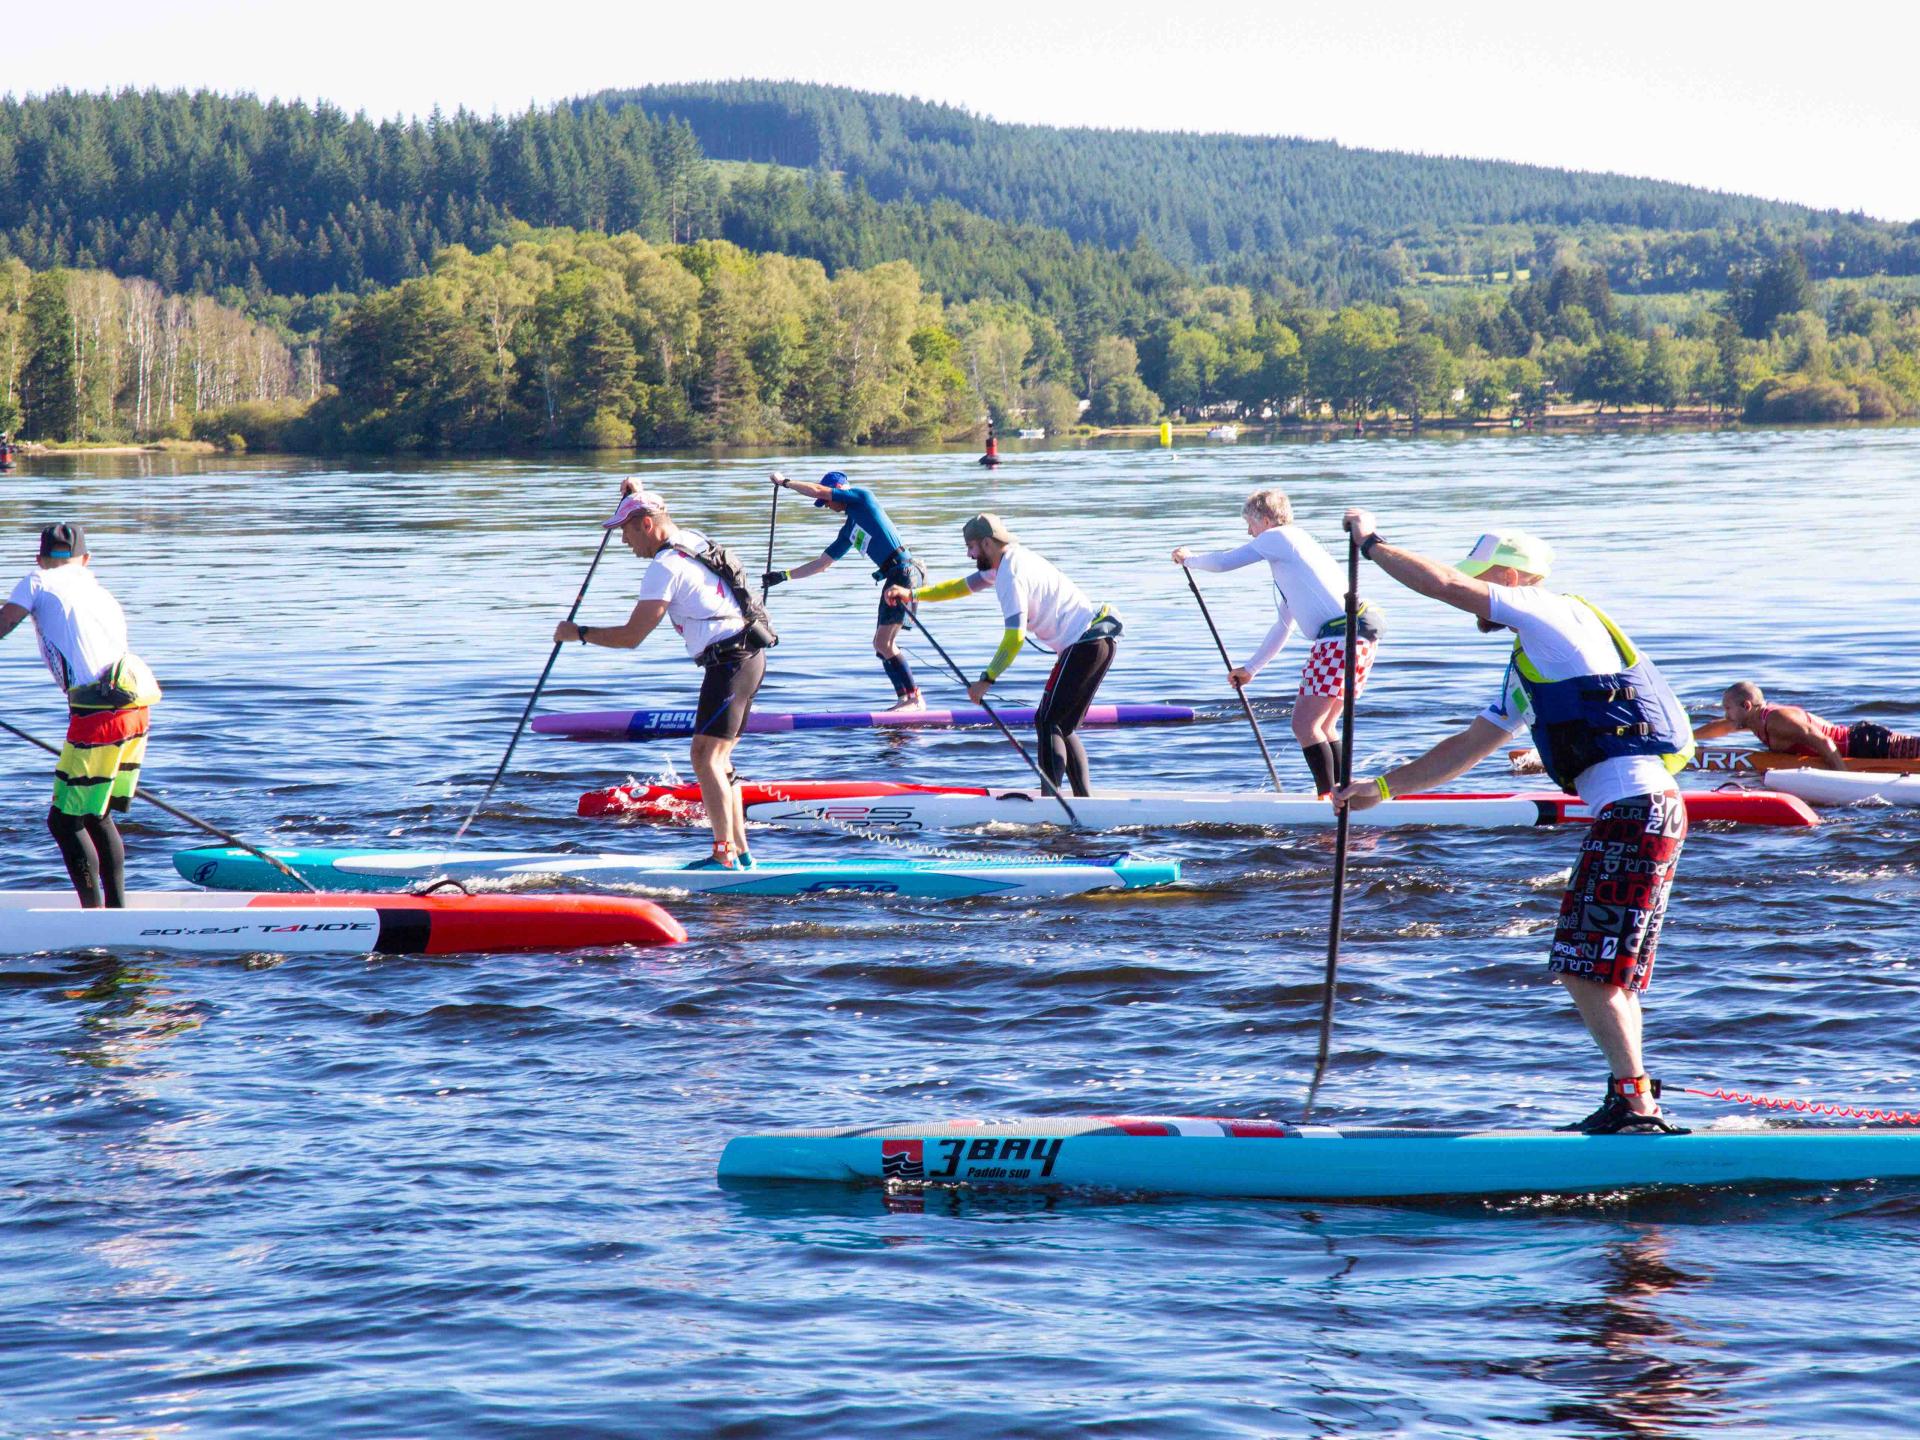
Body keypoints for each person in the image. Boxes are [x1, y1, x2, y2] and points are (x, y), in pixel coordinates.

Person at [1331, 519, 1696, 1135]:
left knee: (1586, 968)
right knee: (1607, 972)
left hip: (1639, 809)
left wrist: (1371, 545)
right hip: (1640, 812)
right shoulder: (1530, 664)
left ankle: (1635, 1106)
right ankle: (1633, 1101)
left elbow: (1444, 584)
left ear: (1515, 577)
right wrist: (1383, 788)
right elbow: (1469, 746)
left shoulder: (1551, 615)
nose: (1476, 594)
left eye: (1486, 580)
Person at [555, 486, 772, 870]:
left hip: (731, 662)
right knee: (717, 760)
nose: (622, 539)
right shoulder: (691, 539)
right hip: (746, 658)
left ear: (647, 525)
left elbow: (631, 637)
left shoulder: (663, 567)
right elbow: (660, 512)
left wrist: (580, 633)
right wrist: (637, 493)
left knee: (705, 757)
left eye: (626, 529)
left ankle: (723, 855)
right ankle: (741, 854)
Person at [884, 513, 1121, 797]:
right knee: (1060, 725)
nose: (969, 554)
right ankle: (1083, 802)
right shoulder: (1008, 562)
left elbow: (1014, 638)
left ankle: (1051, 803)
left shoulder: (1011, 574)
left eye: (971, 547)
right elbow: (960, 586)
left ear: (986, 543)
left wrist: (987, 679)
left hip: (1085, 645)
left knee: (1048, 722)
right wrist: (913, 595)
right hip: (1095, 643)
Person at [1172, 487, 1383, 796]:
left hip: (1342, 636)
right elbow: (1284, 625)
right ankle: (1343, 795)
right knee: (1323, 727)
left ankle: (1330, 800)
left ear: (1266, 520)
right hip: (1356, 632)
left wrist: (1189, 559)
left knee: (1304, 726)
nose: (1248, 531)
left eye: (1250, 523)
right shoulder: (1294, 555)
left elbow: (1223, 562)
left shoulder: (1278, 537)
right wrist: (1251, 669)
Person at [0, 523, 162, 907]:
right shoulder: (98, 591)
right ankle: (115, 911)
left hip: (99, 716)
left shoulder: (38, 579)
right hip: (134, 709)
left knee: (64, 821)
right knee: (96, 813)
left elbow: (4, 623)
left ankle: (93, 919)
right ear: (85, 560)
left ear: (40, 558)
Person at [761, 470, 924, 710]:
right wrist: (783, 576)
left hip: (905, 573)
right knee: (881, 645)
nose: (826, 506)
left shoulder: (862, 498)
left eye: (827, 501)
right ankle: (905, 700)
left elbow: (817, 490)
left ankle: (914, 699)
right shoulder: (850, 529)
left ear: (838, 490)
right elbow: (821, 564)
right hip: (893, 577)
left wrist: (785, 482)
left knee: (884, 643)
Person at [1694, 682, 1919, 768]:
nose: (1726, 714)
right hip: (1859, 743)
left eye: (1727, 708)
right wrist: (1688, 739)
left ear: (1746, 705)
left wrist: (1841, 778)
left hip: (1867, 744)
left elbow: (1823, 741)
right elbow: (1722, 727)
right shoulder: (1751, 720)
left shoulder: (1778, 719)